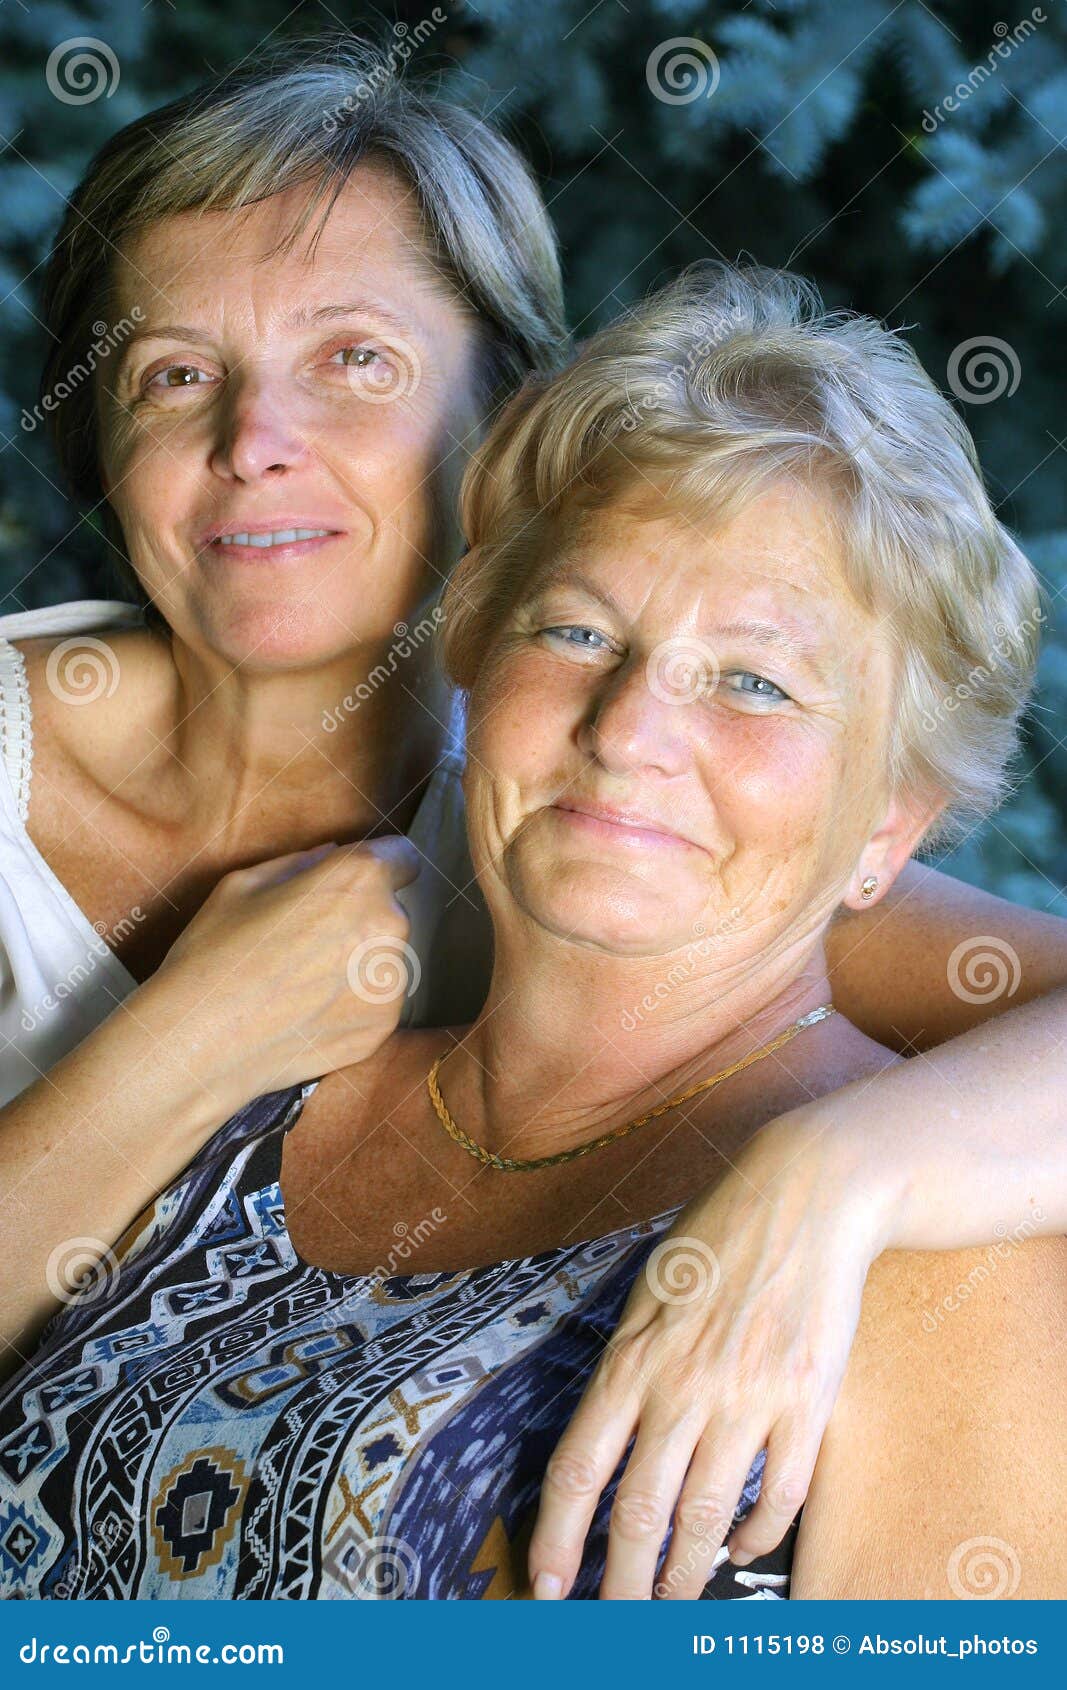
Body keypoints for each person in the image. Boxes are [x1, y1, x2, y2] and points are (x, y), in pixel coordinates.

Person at [1, 262, 1062, 1600]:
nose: (628, 730)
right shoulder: (241, 1109)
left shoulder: (941, 1251)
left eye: (755, 682)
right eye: (576, 630)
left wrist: (833, 1174)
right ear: (472, 658)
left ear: (888, 827)